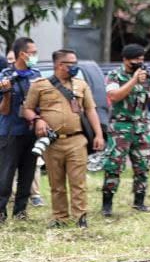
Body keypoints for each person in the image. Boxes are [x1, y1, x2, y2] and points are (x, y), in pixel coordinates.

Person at [22, 49, 104, 227]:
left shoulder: (81, 85)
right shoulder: (40, 85)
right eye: (71, 64)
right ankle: (60, 218)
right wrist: (37, 120)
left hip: (76, 140)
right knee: (56, 183)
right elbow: (27, 108)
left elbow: (90, 110)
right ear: (60, 65)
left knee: (78, 182)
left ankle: (80, 217)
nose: (75, 67)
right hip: (52, 142)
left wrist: (98, 134)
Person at [102, 44, 150, 215]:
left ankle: (139, 202)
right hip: (120, 128)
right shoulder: (115, 75)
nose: (139, 63)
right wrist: (134, 80)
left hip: (142, 128)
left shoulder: (146, 76)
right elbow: (113, 96)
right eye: (136, 59)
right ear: (126, 60)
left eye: (142, 59)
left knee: (143, 166)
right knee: (114, 166)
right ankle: (107, 205)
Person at [0, 38, 41, 221]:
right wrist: (7, 92)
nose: (35, 56)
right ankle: (1, 211)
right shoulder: (5, 76)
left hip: (31, 131)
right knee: (5, 173)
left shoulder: (37, 75)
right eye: (32, 52)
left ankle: (20, 212)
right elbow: (3, 110)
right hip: (10, 131)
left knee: (28, 172)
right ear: (22, 54)